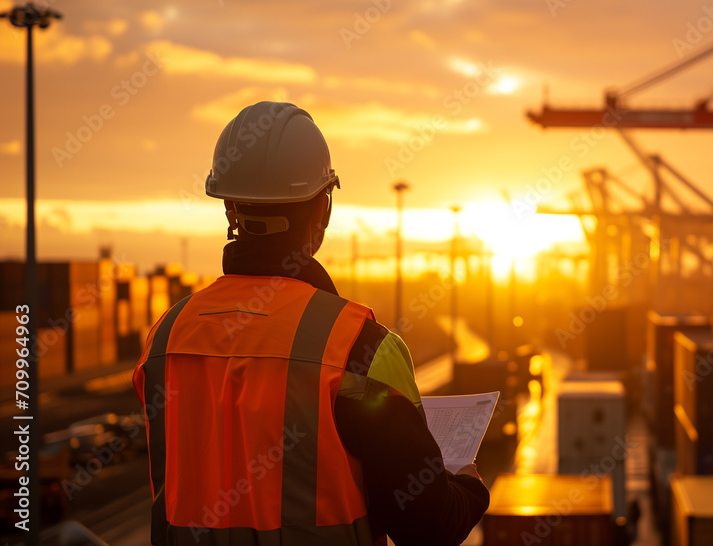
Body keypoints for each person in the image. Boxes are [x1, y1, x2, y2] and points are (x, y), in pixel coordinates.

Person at [132, 101, 489, 545]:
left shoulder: (166, 337)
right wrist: (470, 486)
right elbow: (429, 528)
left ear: (229, 212)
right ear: (324, 210)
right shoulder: (361, 348)